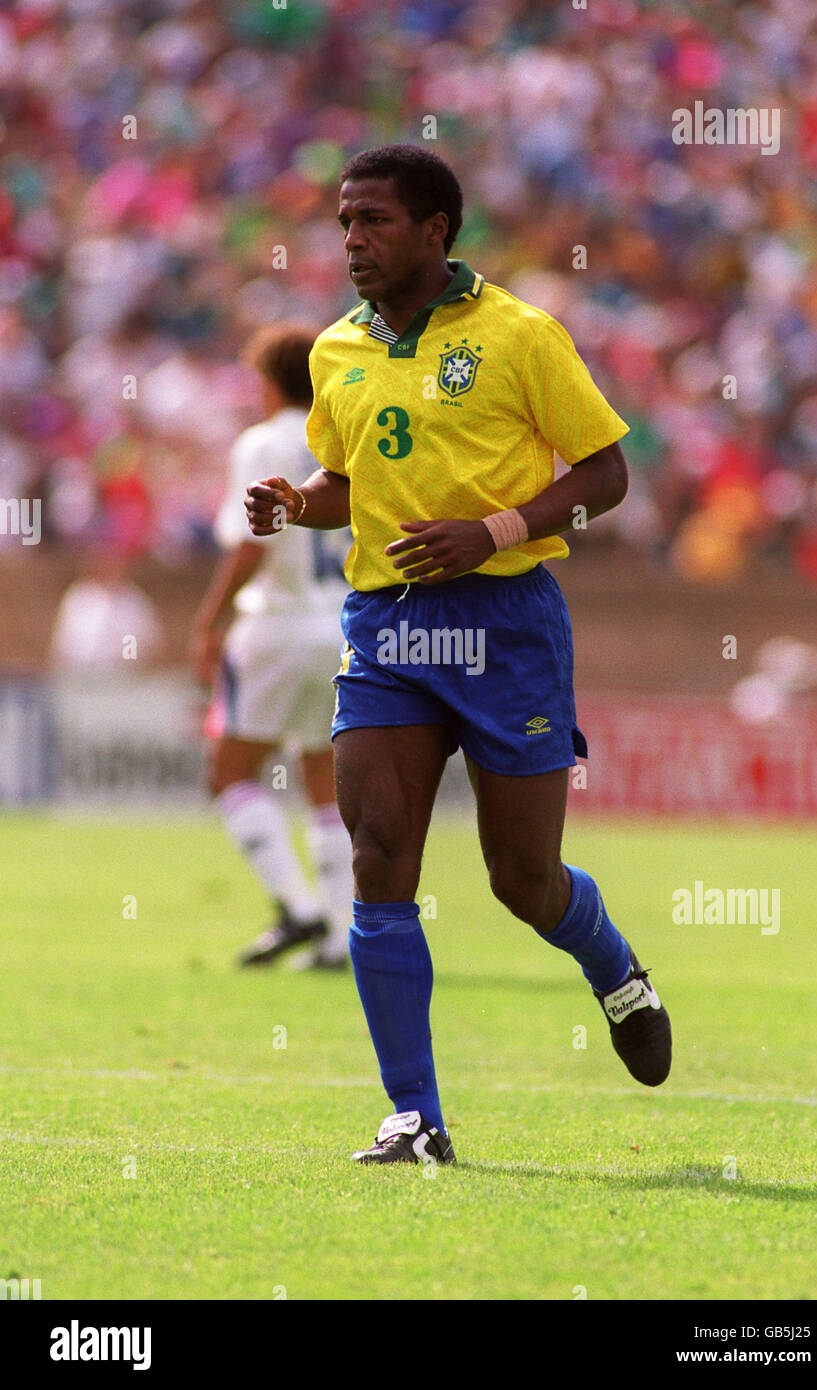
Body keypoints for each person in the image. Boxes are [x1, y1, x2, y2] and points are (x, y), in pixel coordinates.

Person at [245, 145, 671, 1163]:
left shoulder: (520, 334)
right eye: (345, 221)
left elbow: (606, 471)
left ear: (437, 230)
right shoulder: (337, 351)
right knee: (378, 851)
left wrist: (496, 528)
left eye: (375, 221)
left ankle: (615, 970)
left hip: (505, 624)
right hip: (386, 626)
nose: (352, 239)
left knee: (522, 880)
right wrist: (301, 503)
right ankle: (414, 1116)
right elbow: (350, 479)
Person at [192, 322, 353, 969]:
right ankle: (342, 937)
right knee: (326, 784)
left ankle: (297, 908)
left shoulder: (263, 442)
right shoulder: (340, 437)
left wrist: (210, 621)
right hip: (343, 623)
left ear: (268, 382)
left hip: (280, 623)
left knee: (229, 773)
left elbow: (249, 544)